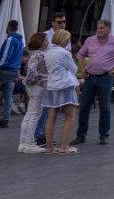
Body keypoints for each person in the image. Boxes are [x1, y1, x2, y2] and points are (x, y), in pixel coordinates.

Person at [71, 19, 114, 146]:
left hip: (105, 78)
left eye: (102, 28)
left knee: (105, 108)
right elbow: (80, 54)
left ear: (108, 29)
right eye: (98, 28)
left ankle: (104, 135)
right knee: (84, 108)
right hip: (90, 77)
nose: (99, 30)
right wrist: (82, 68)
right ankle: (81, 135)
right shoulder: (90, 40)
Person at [33, 12, 69, 145]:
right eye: (60, 22)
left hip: (57, 77)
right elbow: (35, 54)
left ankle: (42, 136)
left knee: (50, 108)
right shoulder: (45, 36)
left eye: (64, 21)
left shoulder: (66, 37)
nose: (63, 24)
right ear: (53, 23)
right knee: (42, 107)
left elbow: (67, 55)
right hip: (43, 76)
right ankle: (38, 135)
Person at [43, 30, 80, 155]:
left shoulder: (48, 52)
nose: (69, 42)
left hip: (52, 84)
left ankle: (49, 147)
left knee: (51, 117)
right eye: (68, 39)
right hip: (65, 84)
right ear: (63, 40)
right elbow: (74, 69)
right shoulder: (64, 53)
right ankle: (64, 146)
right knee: (70, 117)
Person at [18, 32, 48, 153]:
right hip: (39, 86)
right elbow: (31, 69)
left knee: (30, 114)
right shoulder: (40, 54)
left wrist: (28, 81)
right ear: (40, 42)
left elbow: (31, 69)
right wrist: (29, 80)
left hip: (35, 87)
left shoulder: (34, 54)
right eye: (45, 40)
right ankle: (29, 143)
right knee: (35, 115)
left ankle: (23, 142)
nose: (47, 42)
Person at [0, 20, 24, 128]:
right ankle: (5, 119)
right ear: (17, 29)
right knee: (8, 95)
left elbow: (5, 56)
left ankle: (5, 119)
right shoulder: (20, 41)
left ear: (7, 28)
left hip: (5, 70)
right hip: (14, 71)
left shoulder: (10, 40)